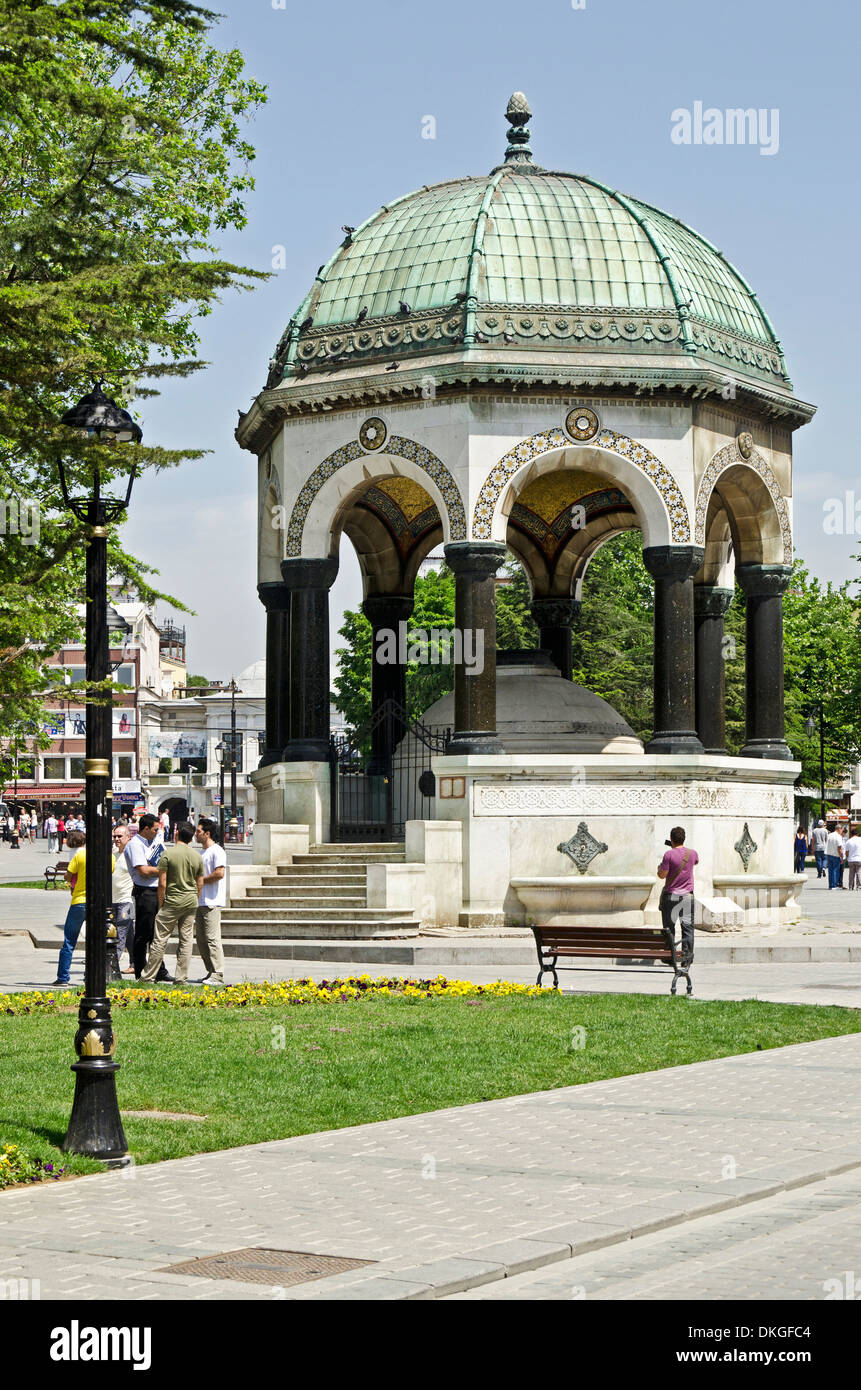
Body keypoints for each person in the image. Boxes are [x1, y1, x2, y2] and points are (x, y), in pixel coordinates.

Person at [140, 822, 203, 986]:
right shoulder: (197, 856)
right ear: (191, 837)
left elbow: (162, 883)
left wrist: (161, 904)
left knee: (160, 939)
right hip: (190, 901)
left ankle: (148, 976)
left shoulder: (168, 854)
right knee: (186, 939)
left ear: (176, 834)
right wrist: (195, 897)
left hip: (172, 901)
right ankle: (181, 977)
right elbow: (200, 882)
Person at [53, 831, 116, 986]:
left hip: (79, 901)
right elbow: (110, 873)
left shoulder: (80, 856)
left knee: (69, 941)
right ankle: (94, 975)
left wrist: (72, 880)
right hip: (98, 903)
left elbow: (68, 875)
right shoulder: (110, 857)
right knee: (97, 940)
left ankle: (63, 978)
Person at [124, 813, 171, 981]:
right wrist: (164, 870)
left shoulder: (156, 842)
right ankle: (141, 970)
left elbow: (167, 859)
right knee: (144, 934)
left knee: (156, 934)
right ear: (145, 829)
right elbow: (143, 871)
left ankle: (159, 969)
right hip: (145, 892)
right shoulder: (135, 845)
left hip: (159, 889)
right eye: (155, 829)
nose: (158, 833)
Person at [658, 826, 699, 970]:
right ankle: (687, 958)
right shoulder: (692, 853)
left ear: (671, 838)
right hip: (687, 896)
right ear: (684, 838)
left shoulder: (668, 855)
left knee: (669, 928)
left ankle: (670, 956)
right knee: (687, 928)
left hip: (671, 896)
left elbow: (662, 875)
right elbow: (695, 862)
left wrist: (659, 868)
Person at [193, 818, 226, 986]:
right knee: (201, 939)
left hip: (212, 901)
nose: (196, 834)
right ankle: (210, 971)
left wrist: (201, 881)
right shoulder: (201, 853)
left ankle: (218, 973)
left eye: (198, 831)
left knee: (212, 938)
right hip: (200, 900)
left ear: (207, 834)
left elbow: (219, 873)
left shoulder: (216, 851)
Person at [111, 825, 136, 974]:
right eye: (115, 836)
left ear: (128, 837)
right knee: (129, 935)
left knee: (119, 933)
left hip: (127, 901)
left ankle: (111, 967)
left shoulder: (132, 855)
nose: (116, 839)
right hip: (113, 900)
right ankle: (135, 963)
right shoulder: (113, 854)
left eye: (120, 836)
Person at [824, 822, 844, 890]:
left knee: (830, 871)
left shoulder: (830, 835)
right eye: (842, 830)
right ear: (839, 829)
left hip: (829, 854)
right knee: (836, 870)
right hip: (836, 855)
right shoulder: (838, 836)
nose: (842, 832)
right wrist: (841, 857)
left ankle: (831, 885)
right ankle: (835, 885)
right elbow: (839, 848)